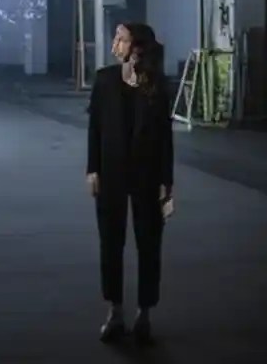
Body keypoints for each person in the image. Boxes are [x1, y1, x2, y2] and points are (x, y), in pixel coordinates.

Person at [86, 22, 174, 345]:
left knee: (149, 244)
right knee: (111, 242)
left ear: (136, 47)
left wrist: (167, 182)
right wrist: (92, 168)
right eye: (116, 38)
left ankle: (145, 314)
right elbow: (94, 127)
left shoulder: (156, 86)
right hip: (110, 173)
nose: (114, 45)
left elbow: (165, 138)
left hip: (147, 176)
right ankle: (115, 312)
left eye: (120, 39)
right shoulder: (105, 80)